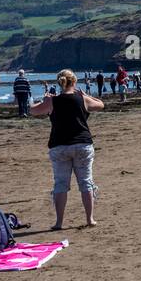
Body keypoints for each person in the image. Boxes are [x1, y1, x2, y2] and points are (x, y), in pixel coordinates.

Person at [31, 68, 103, 230]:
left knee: (61, 184)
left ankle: (59, 222)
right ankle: (90, 219)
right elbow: (101, 105)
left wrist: (44, 99)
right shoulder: (81, 98)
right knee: (86, 182)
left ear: (60, 83)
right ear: (74, 82)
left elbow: (33, 110)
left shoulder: (52, 101)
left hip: (59, 145)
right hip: (82, 144)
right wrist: (86, 95)